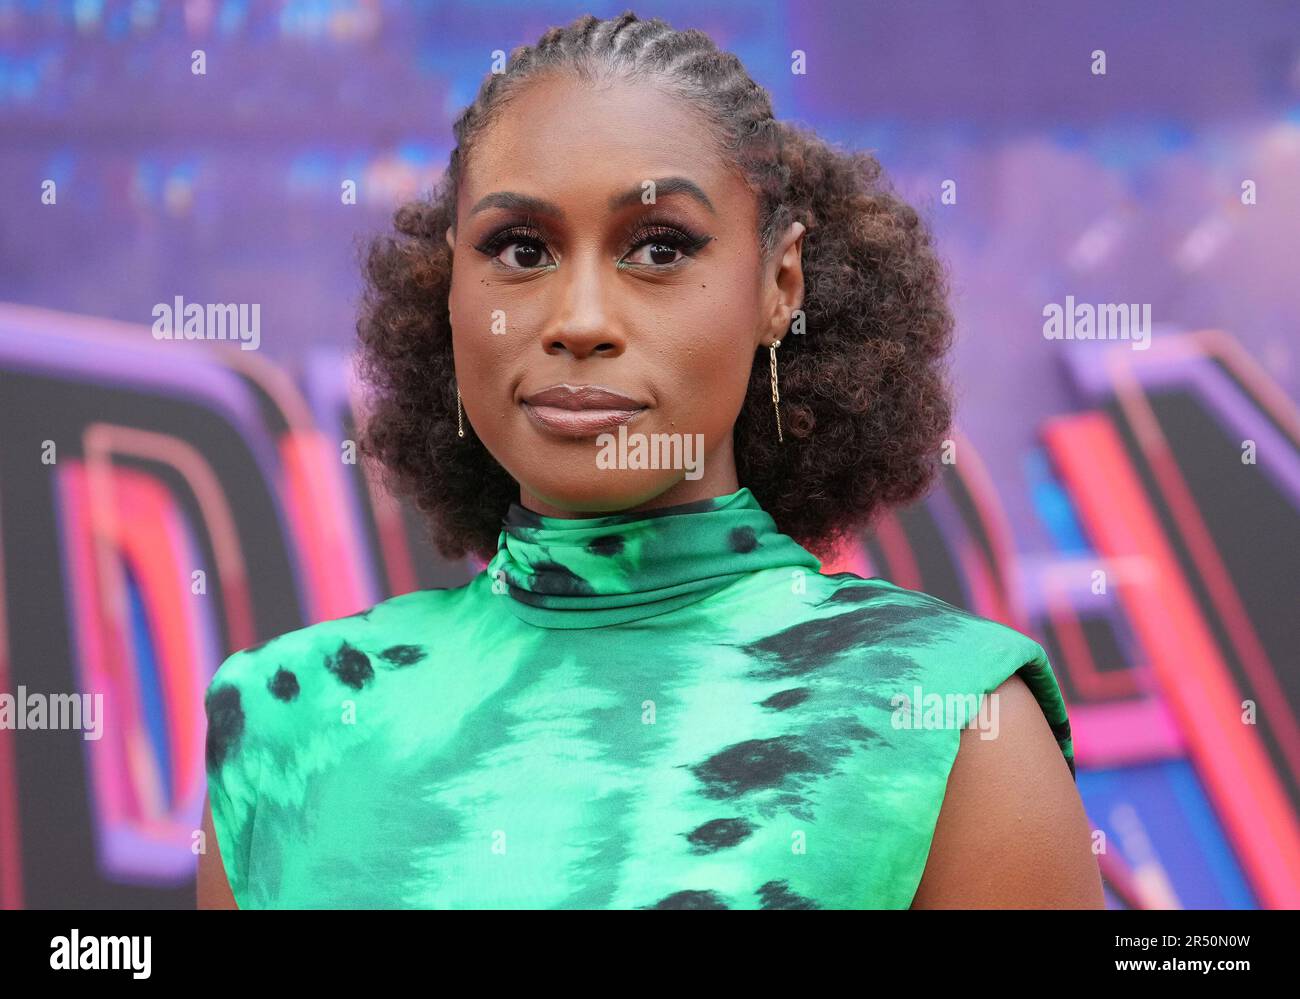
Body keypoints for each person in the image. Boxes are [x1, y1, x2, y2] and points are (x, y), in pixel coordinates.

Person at [197, 11, 1102, 909]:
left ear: (778, 286)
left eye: (660, 247)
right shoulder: (287, 728)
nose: (580, 318)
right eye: (521, 249)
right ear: (451, 290)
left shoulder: (949, 723)